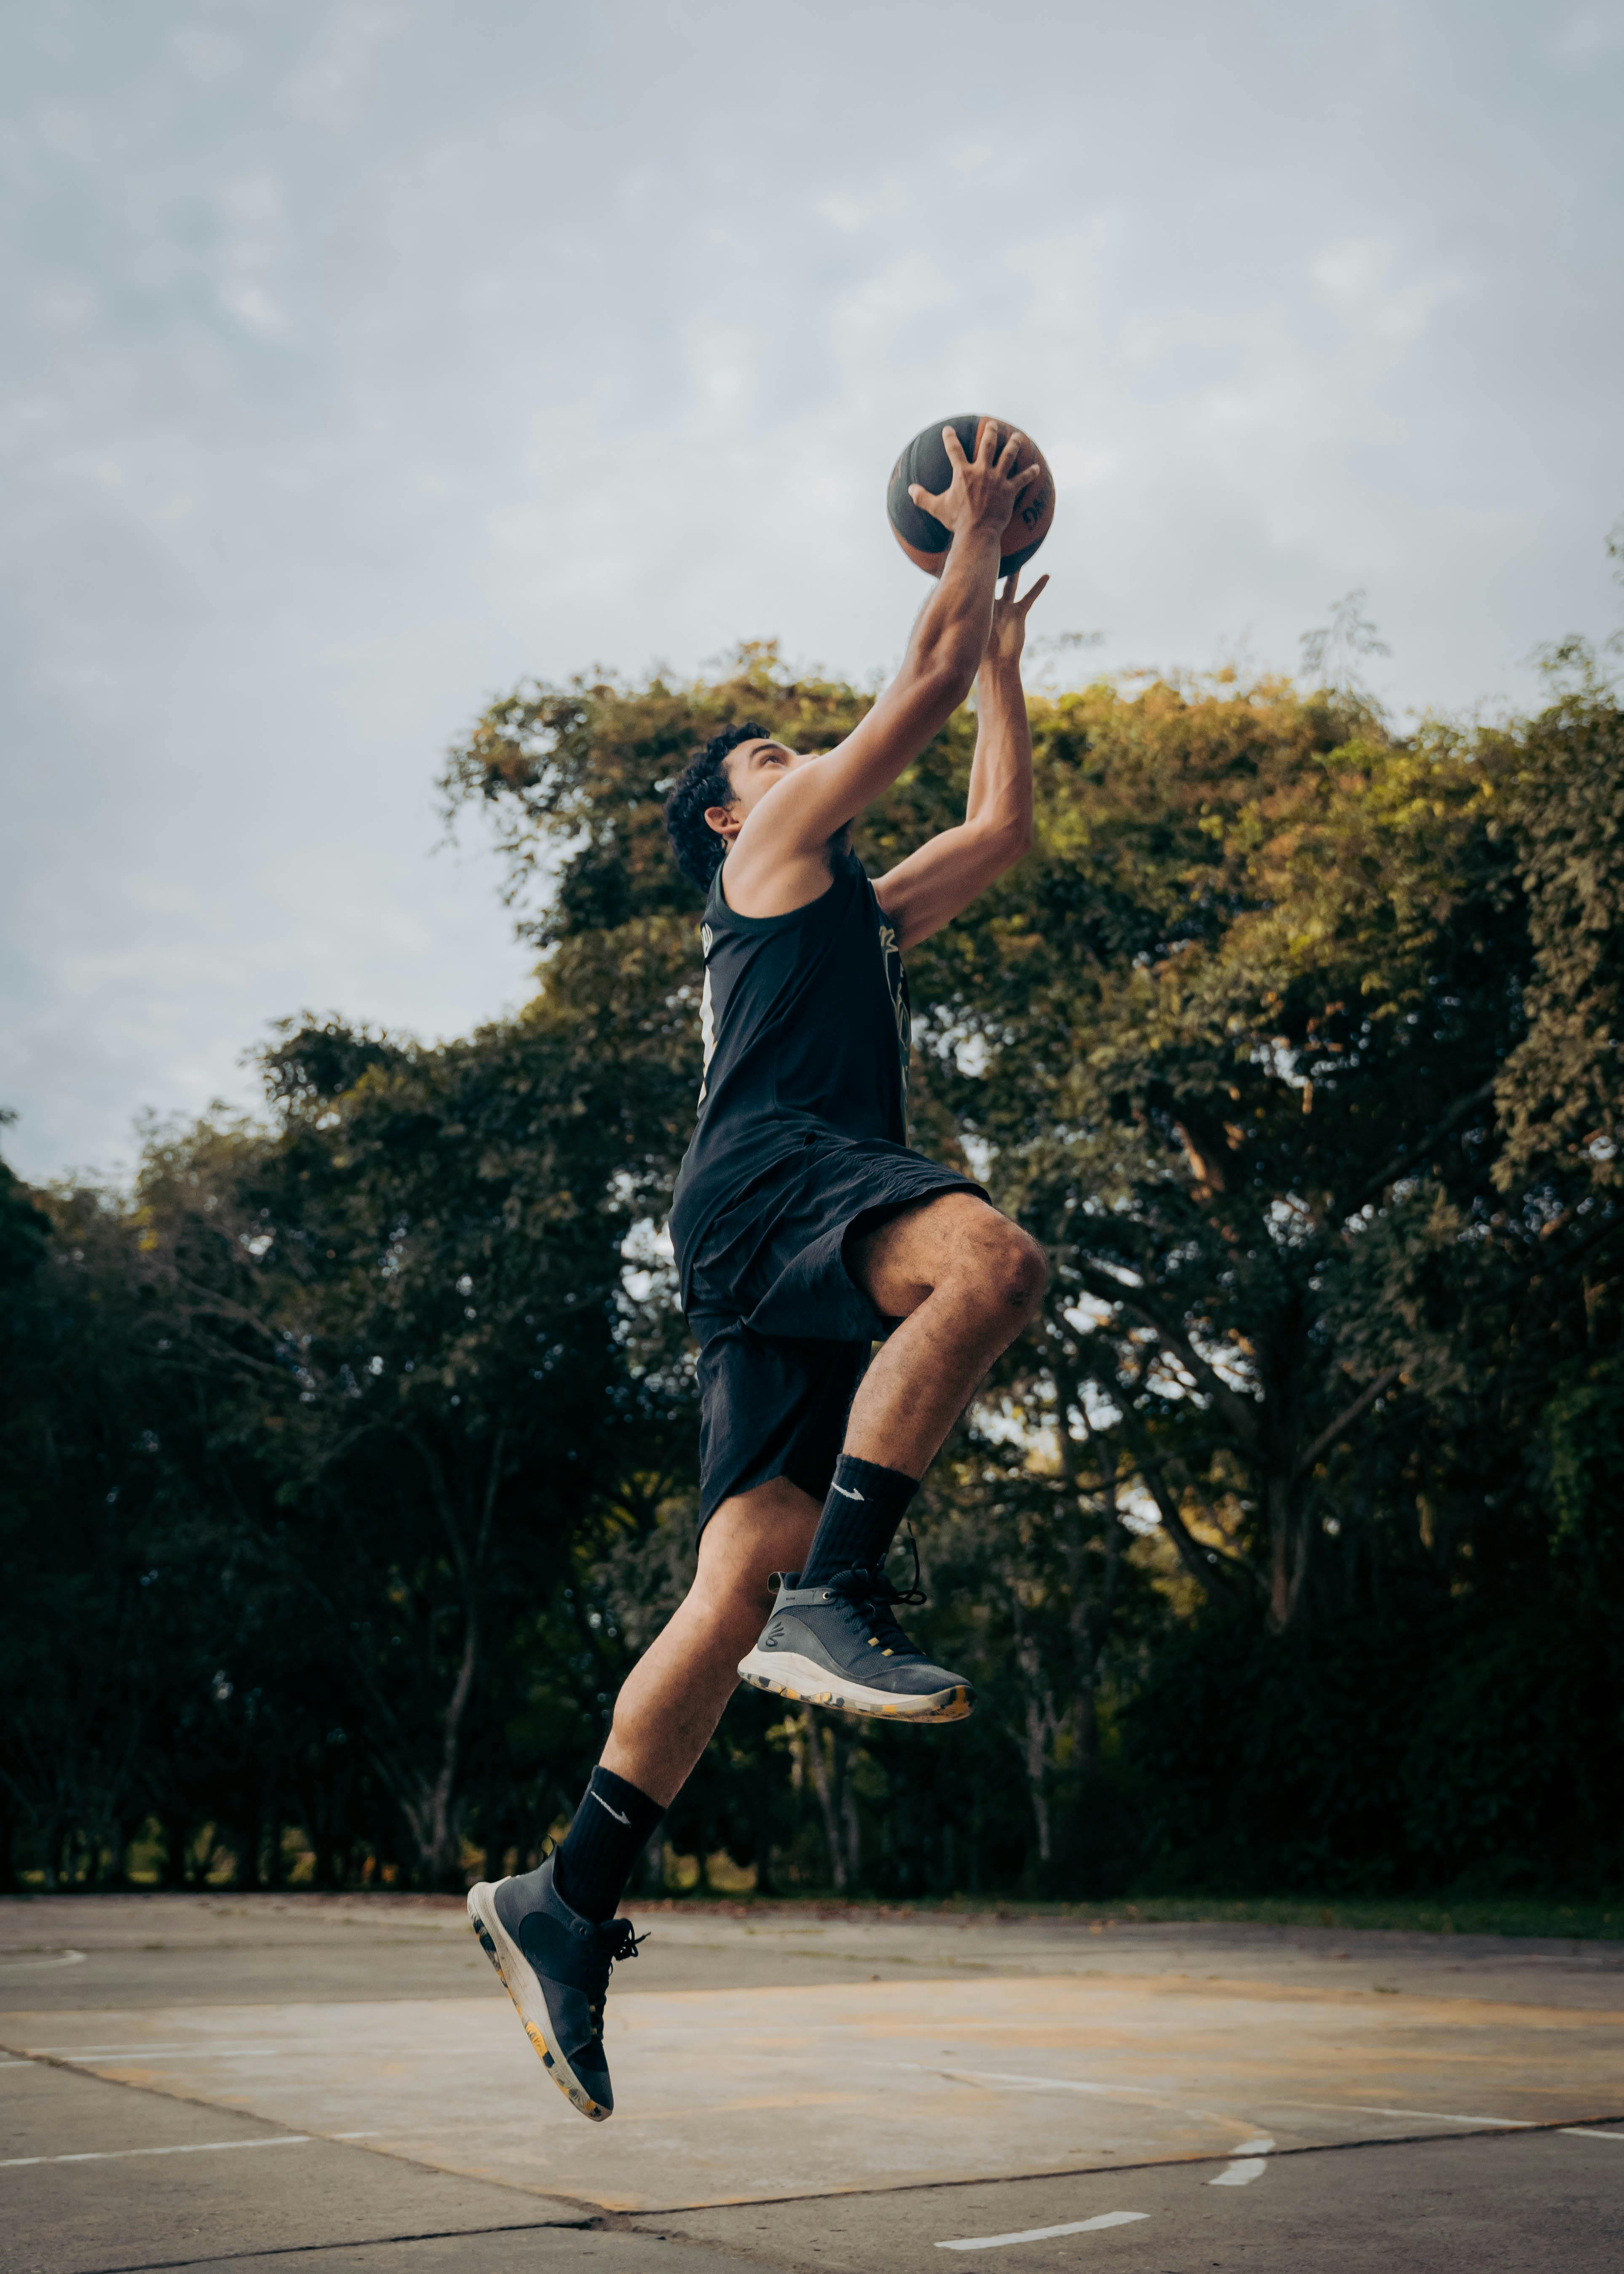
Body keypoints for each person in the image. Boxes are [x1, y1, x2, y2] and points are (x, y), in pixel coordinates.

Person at [468, 421, 1051, 2122]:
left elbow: (997, 822)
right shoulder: (772, 860)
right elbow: (918, 683)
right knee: (990, 1265)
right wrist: (972, 551)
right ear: (734, 806)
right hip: (778, 1182)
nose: (804, 756)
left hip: (765, 1229)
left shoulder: (857, 911)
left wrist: (1001, 641)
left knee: (735, 1581)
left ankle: (565, 1900)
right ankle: (844, 1602)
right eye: (776, 749)